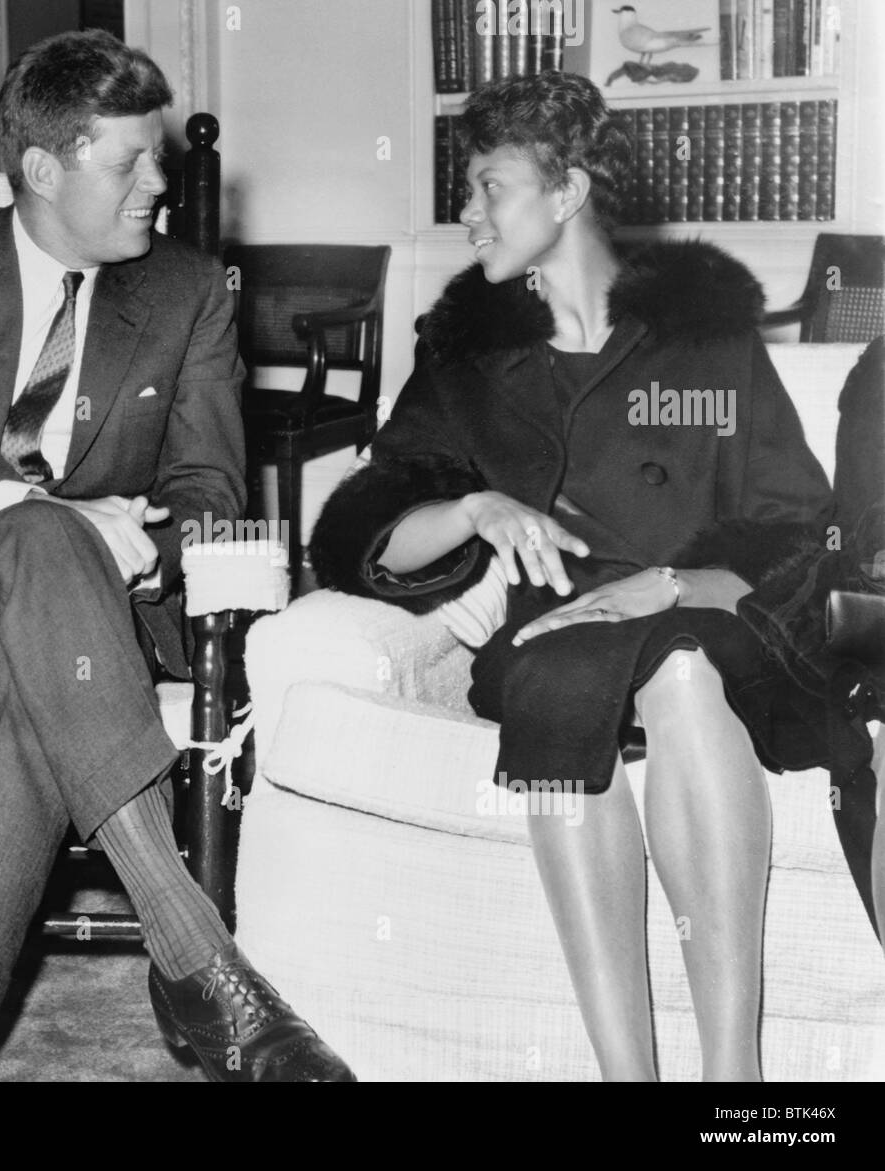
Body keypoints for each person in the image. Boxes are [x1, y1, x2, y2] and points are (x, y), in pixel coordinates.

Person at [0, 30, 353, 1083]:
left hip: (95, 625)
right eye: (129, 163)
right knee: (35, 537)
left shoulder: (191, 290)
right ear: (44, 169)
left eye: (158, 157)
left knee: (9, 689)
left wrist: (139, 552)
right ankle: (198, 958)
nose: (160, 183)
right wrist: (29, 508)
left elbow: (210, 491)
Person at [310, 71, 834, 1081]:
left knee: (680, 668)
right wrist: (468, 509)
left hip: (703, 618)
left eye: (488, 187)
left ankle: (734, 1081)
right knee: (558, 677)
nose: (465, 215)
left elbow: (795, 525)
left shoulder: (705, 339)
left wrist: (669, 585)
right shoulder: (467, 360)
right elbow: (359, 529)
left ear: (568, 192)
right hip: (558, 631)